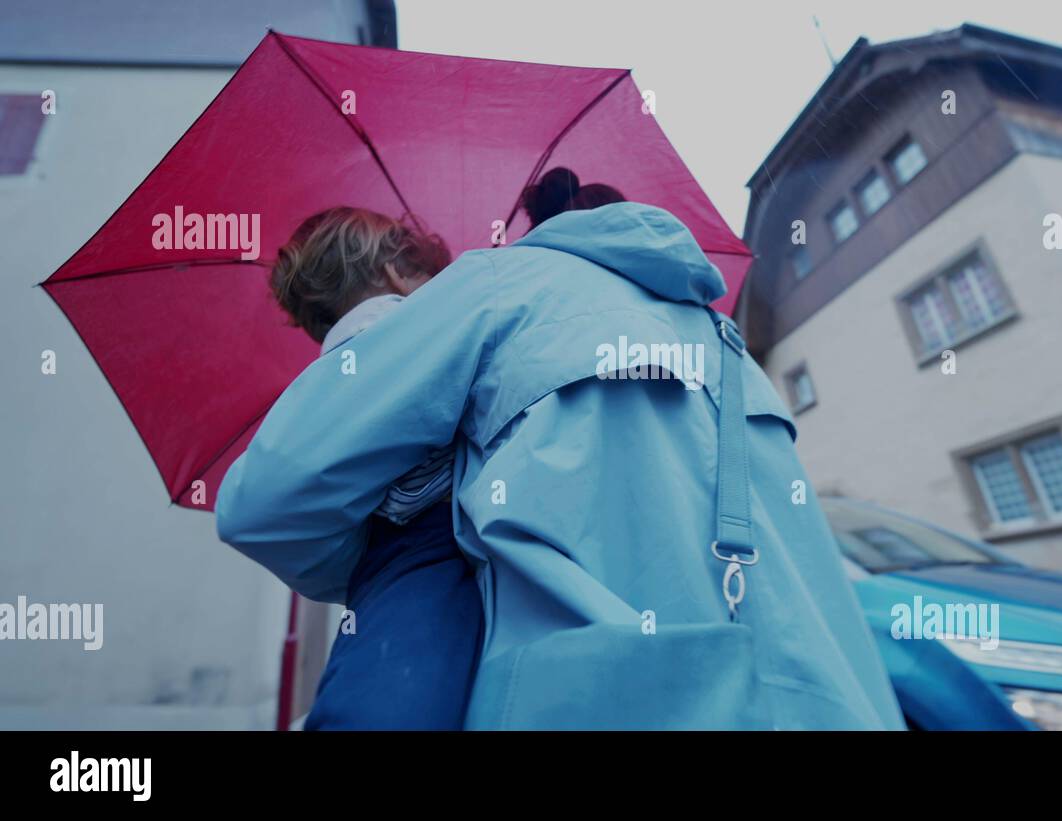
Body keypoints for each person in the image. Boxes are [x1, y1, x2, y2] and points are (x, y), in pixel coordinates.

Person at [218, 176, 903, 729]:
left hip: (603, 693)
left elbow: (263, 506)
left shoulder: (491, 291)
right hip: (824, 696)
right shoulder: (725, 344)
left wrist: (383, 544)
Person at [260, 207, 482, 729]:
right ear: (397, 271)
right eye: (432, 278)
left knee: (393, 680)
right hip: (437, 527)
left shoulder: (333, 363)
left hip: (393, 547)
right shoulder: (401, 321)